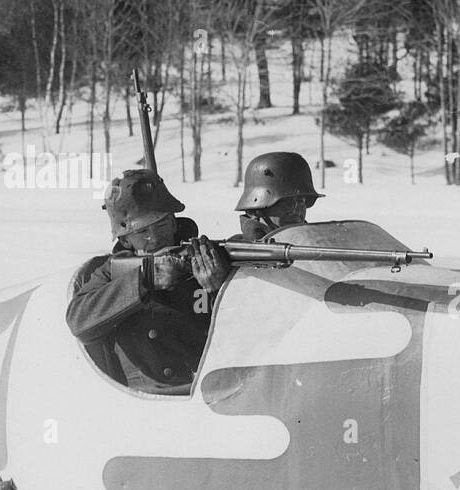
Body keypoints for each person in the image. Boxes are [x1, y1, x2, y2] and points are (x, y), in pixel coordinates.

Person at [66, 170, 231, 395]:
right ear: (124, 238)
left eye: (161, 224)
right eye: (142, 231)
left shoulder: (204, 257)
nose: (154, 238)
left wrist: (220, 289)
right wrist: (144, 279)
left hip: (210, 389)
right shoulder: (110, 272)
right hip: (151, 401)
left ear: (174, 223)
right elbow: (79, 320)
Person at [230, 152, 324, 241]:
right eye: (286, 202)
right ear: (257, 210)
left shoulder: (315, 244)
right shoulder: (236, 251)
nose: (296, 209)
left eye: (301, 201)